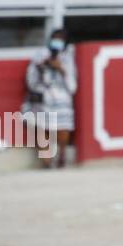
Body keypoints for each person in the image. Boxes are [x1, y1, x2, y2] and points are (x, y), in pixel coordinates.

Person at [22, 30, 77, 169]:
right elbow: (31, 81)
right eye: (55, 38)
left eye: (61, 39)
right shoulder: (40, 55)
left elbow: (72, 87)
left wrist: (61, 69)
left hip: (61, 96)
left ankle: (62, 155)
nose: (57, 42)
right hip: (43, 95)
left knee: (63, 125)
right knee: (38, 125)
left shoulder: (68, 58)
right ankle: (46, 159)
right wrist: (41, 68)